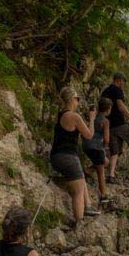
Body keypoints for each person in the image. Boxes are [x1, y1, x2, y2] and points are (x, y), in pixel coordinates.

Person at [52, 86, 100, 226]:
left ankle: (88, 206)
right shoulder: (74, 117)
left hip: (56, 156)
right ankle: (79, 222)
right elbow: (89, 135)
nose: (78, 101)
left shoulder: (61, 114)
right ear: (72, 99)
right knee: (78, 192)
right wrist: (92, 119)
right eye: (77, 99)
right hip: (68, 156)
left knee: (81, 177)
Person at [100, 71, 129, 180]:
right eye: (123, 82)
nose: (123, 84)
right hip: (120, 124)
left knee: (115, 151)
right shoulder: (117, 90)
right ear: (119, 80)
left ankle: (111, 175)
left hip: (109, 126)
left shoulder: (105, 91)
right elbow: (120, 106)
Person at [83, 97, 113, 206]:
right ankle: (103, 196)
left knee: (106, 162)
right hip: (96, 147)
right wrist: (105, 148)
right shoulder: (105, 121)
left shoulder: (93, 117)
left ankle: (87, 170)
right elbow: (106, 139)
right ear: (109, 109)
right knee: (101, 171)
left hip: (86, 145)